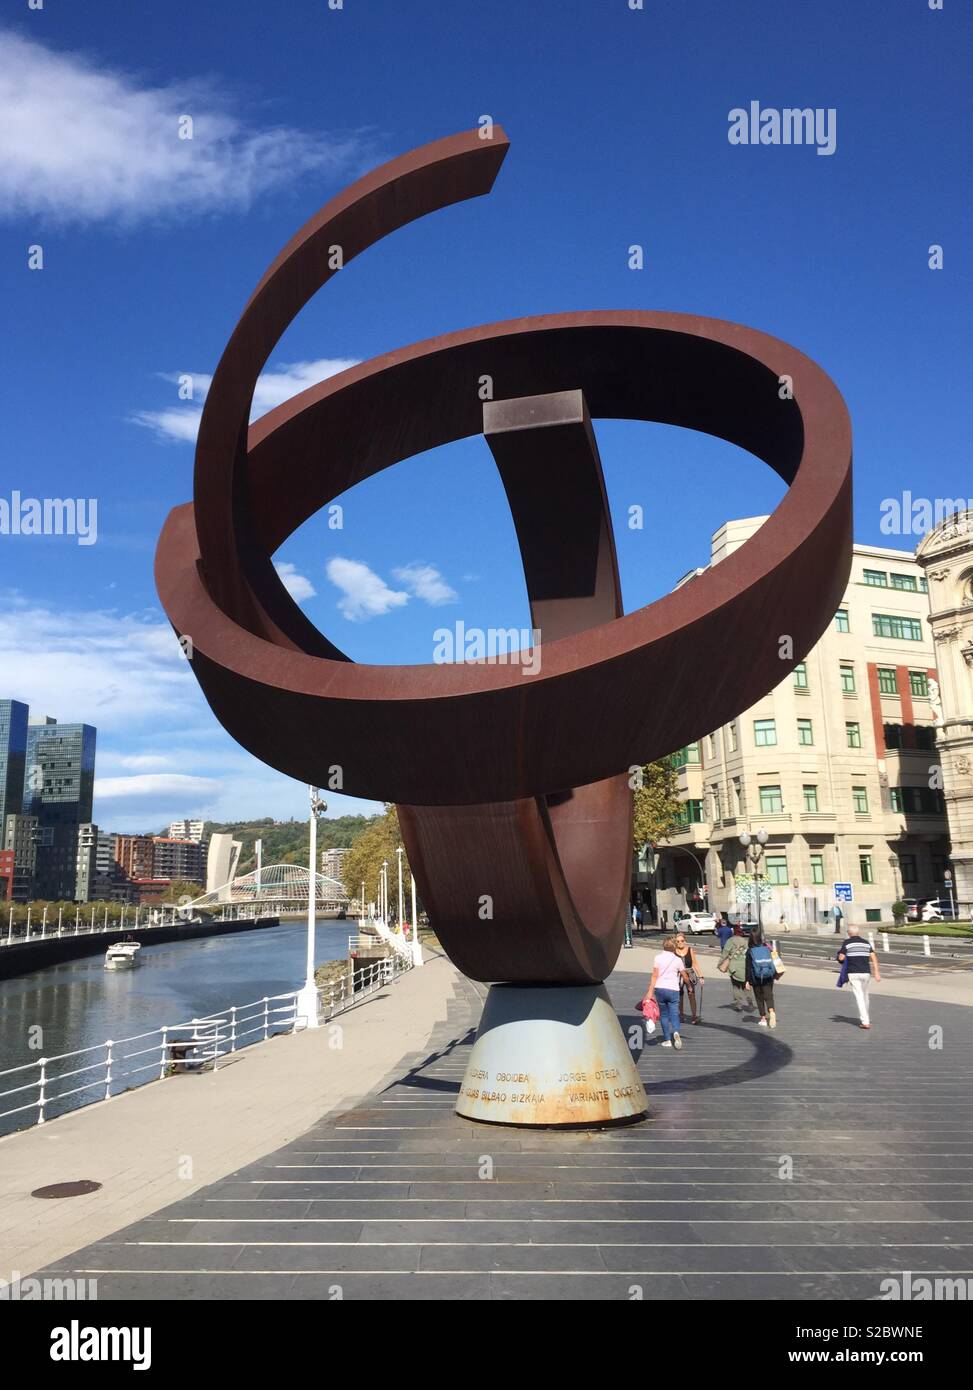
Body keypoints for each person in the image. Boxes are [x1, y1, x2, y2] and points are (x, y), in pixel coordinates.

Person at [645, 934, 689, 1049]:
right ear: (674, 947)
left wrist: (650, 992)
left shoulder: (658, 958)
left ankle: (667, 1040)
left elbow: (654, 975)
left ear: (664, 946)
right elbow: (684, 976)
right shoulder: (678, 960)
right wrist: (689, 985)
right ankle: (675, 1031)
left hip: (660, 989)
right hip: (673, 989)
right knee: (674, 1013)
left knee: (664, 1015)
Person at [836, 924, 881, 1029]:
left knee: (859, 997)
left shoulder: (847, 943)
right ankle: (865, 1017)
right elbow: (874, 957)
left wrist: (840, 957)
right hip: (866, 973)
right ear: (858, 932)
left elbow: (841, 957)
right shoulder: (866, 943)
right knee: (865, 995)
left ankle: (865, 1021)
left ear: (849, 933)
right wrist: (877, 972)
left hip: (853, 973)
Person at [745, 929, 780, 1028]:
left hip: (755, 977)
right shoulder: (767, 948)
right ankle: (771, 1011)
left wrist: (747, 981)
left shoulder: (750, 951)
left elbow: (748, 967)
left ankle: (763, 1019)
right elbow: (774, 959)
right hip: (768, 975)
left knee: (759, 997)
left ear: (751, 939)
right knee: (769, 995)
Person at [718, 924, 752, 1011]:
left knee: (736, 986)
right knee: (746, 985)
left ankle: (738, 1004)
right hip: (744, 966)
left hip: (733, 966)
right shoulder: (745, 941)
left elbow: (725, 953)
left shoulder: (730, 941)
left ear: (734, 931)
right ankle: (750, 1002)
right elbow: (748, 953)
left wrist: (720, 964)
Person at [673, 931, 703, 1024]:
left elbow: (695, 963)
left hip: (689, 974)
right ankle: (681, 1015)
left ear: (685, 940)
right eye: (677, 941)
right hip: (678, 975)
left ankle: (694, 1015)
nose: (680, 943)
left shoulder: (690, 949)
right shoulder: (674, 951)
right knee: (680, 995)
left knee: (691, 994)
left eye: (682, 940)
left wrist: (700, 976)